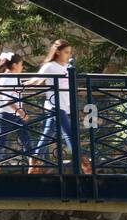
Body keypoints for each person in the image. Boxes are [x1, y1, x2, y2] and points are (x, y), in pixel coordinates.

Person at [24, 39, 92, 175]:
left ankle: (34, 161)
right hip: (55, 106)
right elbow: (37, 79)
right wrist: (22, 84)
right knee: (69, 134)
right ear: (57, 51)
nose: (69, 55)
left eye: (70, 52)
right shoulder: (50, 66)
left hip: (66, 106)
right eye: (66, 52)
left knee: (47, 134)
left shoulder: (68, 67)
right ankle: (84, 162)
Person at [0, 52, 32, 174]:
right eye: (21, 65)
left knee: (24, 136)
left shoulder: (10, 76)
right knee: (3, 139)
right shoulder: (9, 77)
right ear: (14, 65)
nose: (22, 68)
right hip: (7, 114)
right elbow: (8, 100)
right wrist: (21, 112)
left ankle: (33, 161)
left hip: (12, 113)